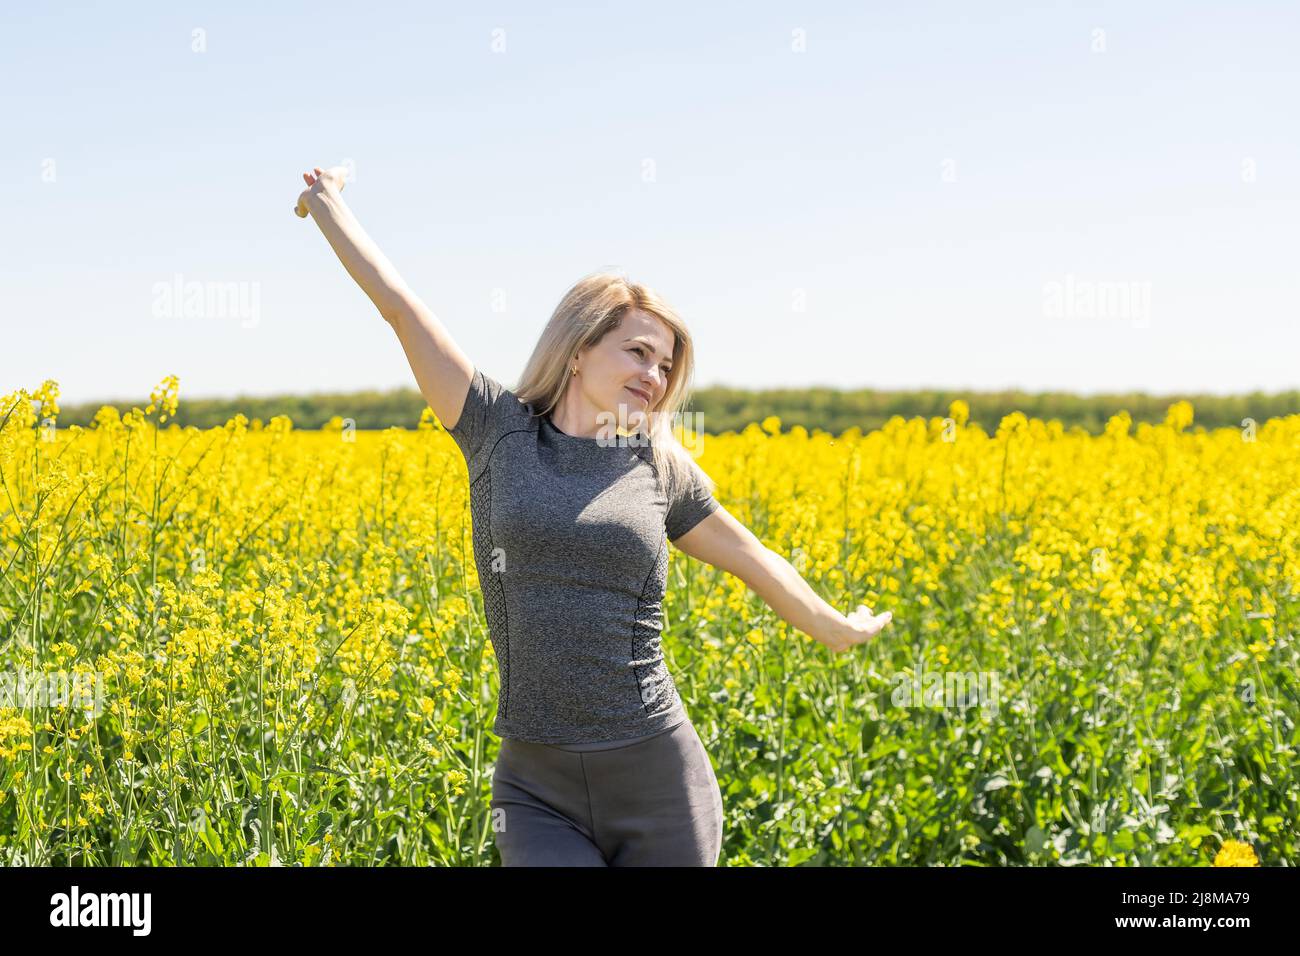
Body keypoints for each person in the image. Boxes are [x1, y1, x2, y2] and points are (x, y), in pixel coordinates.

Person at [294, 165, 895, 866]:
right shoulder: (495, 428)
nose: (654, 375)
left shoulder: (658, 467)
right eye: (637, 351)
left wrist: (832, 625)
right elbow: (400, 306)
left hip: (657, 778)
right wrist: (327, 202)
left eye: (666, 365)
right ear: (578, 351)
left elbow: (749, 555)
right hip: (533, 786)